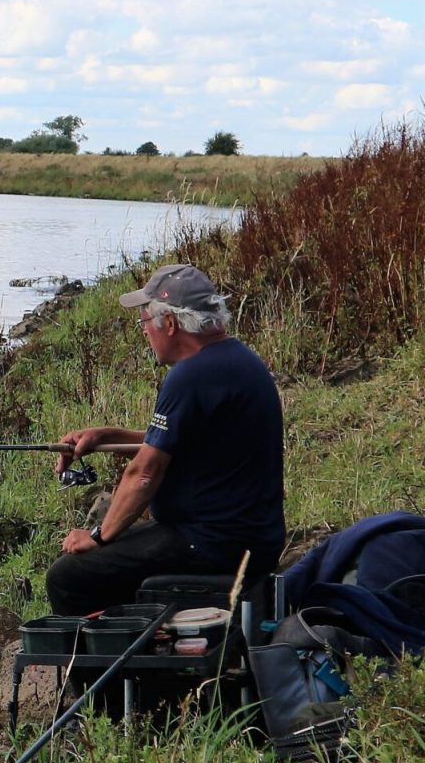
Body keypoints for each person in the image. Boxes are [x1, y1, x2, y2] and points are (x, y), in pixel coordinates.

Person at [45, 263, 284, 616]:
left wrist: (98, 536)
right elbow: (177, 440)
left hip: (211, 542)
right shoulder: (239, 360)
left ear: (169, 324)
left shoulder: (191, 375)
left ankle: (94, 669)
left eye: (144, 322)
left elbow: (143, 474)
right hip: (247, 537)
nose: (144, 331)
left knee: (68, 577)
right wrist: (107, 435)